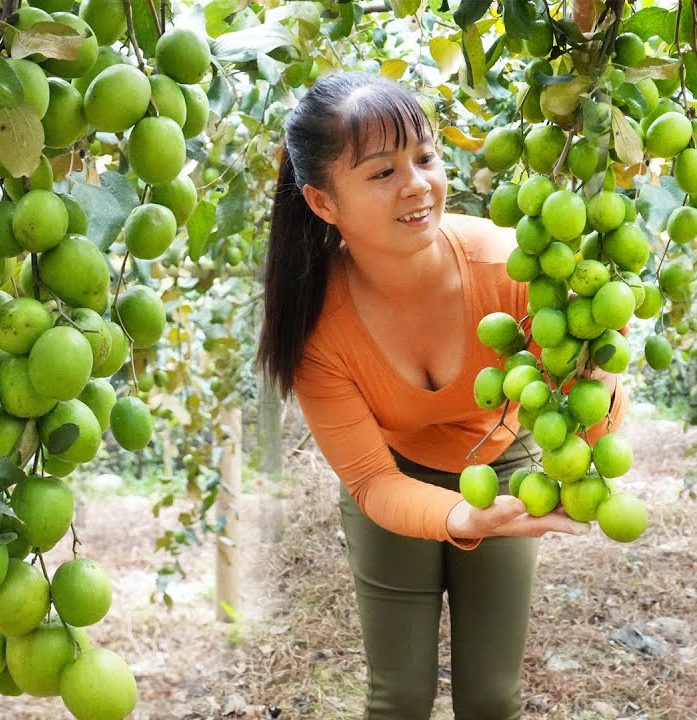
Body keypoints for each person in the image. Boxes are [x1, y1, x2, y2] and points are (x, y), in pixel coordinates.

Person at [256, 72, 629, 719]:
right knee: (398, 696)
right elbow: (373, 481)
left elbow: (584, 412)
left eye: (424, 157)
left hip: (504, 466)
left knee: (490, 697)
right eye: (382, 172)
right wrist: (457, 516)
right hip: (394, 478)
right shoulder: (316, 327)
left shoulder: (511, 270)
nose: (418, 185)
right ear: (323, 202)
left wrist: (598, 357)